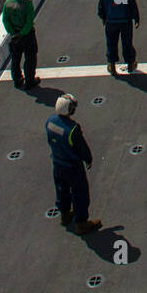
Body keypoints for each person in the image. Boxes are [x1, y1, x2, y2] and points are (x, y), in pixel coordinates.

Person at [45, 94, 101, 235]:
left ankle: (64, 214)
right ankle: (81, 223)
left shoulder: (50, 121)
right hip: (72, 167)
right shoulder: (73, 129)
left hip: (57, 163)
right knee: (80, 193)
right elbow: (81, 148)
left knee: (61, 189)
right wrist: (88, 159)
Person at [97, 0, 140, 75]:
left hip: (111, 23)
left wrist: (103, 18)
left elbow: (101, 6)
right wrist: (136, 19)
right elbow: (133, 7)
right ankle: (130, 63)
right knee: (127, 43)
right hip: (125, 22)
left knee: (111, 43)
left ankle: (111, 65)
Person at [2, 0, 39, 89]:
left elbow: (5, 20)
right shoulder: (27, 4)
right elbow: (29, 22)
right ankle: (29, 81)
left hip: (14, 38)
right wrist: (22, 33)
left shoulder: (7, 3)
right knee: (30, 59)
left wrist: (13, 33)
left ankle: (17, 81)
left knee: (15, 60)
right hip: (27, 36)